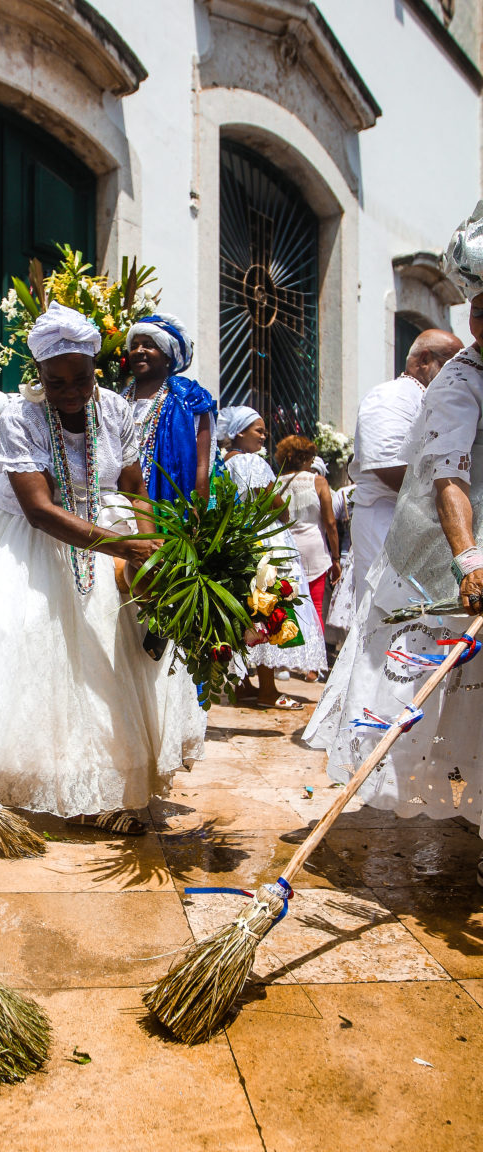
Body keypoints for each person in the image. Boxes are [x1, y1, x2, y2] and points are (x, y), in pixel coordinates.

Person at [0, 302, 205, 834]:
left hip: (108, 538)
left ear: (96, 370)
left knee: (106, 665)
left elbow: (132, 487)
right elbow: (38, 510)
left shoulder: (117, 410)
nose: (69, 392)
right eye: (55, 382)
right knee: (33, 656)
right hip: (29, 547)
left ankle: (102, 787)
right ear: (37, 375)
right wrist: (122, 547)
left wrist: (148, 547)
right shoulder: (18, 415)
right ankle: (41, 786)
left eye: (79, 380)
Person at [305, 201, 483, 881]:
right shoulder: (457, 388)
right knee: (422, 680)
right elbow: (447, 480)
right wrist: (469, 558)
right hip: (436, 556)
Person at [218, 407, 327, 709]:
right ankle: (268, 687)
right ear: (240, 432)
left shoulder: (222, 462)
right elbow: (270, 500)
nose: (264, 436)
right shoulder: (251, 461)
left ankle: (242, 685)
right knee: (268, 606)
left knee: (239, 610)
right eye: (259, 430)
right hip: (264, 540)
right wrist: (284, 510)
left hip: (234, 538)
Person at [349, 328, 462, 604]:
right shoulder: (391, 396)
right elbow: (388, 466)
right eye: (453, 362)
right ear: (424, 359)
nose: (460, 372)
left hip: (419, 522)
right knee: (390, 611)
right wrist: (451, 497)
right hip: (387, 520)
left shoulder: (428, 396)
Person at [123, 313, 216, 502]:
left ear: (167, 356)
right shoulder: (116, 401)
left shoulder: (188, 398)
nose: (139, 351)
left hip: (172, 505)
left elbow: (201, 468)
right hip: (124, 502)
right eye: (134, 346)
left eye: (148, 345)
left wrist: (198, 512)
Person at [275, 435, 341, 643]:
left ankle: (287, 658)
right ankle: (313, 666)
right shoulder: (318, 481)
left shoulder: (276, 483)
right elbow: (330, 523)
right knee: (316, 606)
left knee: (287, 605)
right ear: (304, 457)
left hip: (286, 547)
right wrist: (336, 558)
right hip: (314, 548)